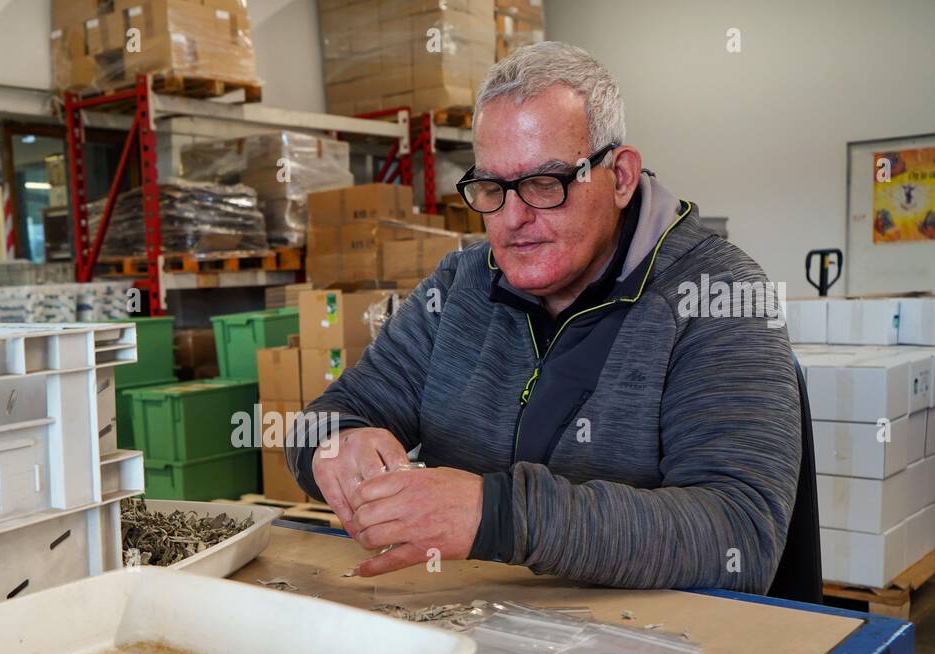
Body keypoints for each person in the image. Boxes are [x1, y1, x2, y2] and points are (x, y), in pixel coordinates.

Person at [286, 41, 800, 593]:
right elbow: (332, 415)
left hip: (648, 648)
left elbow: (740, 536)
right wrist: (335, 444)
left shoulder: (718, 295)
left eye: (544, 184)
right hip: (471, 622)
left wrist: (499, 516)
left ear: (620, 176)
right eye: (491, 188)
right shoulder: (460, 286)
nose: (513, 218)